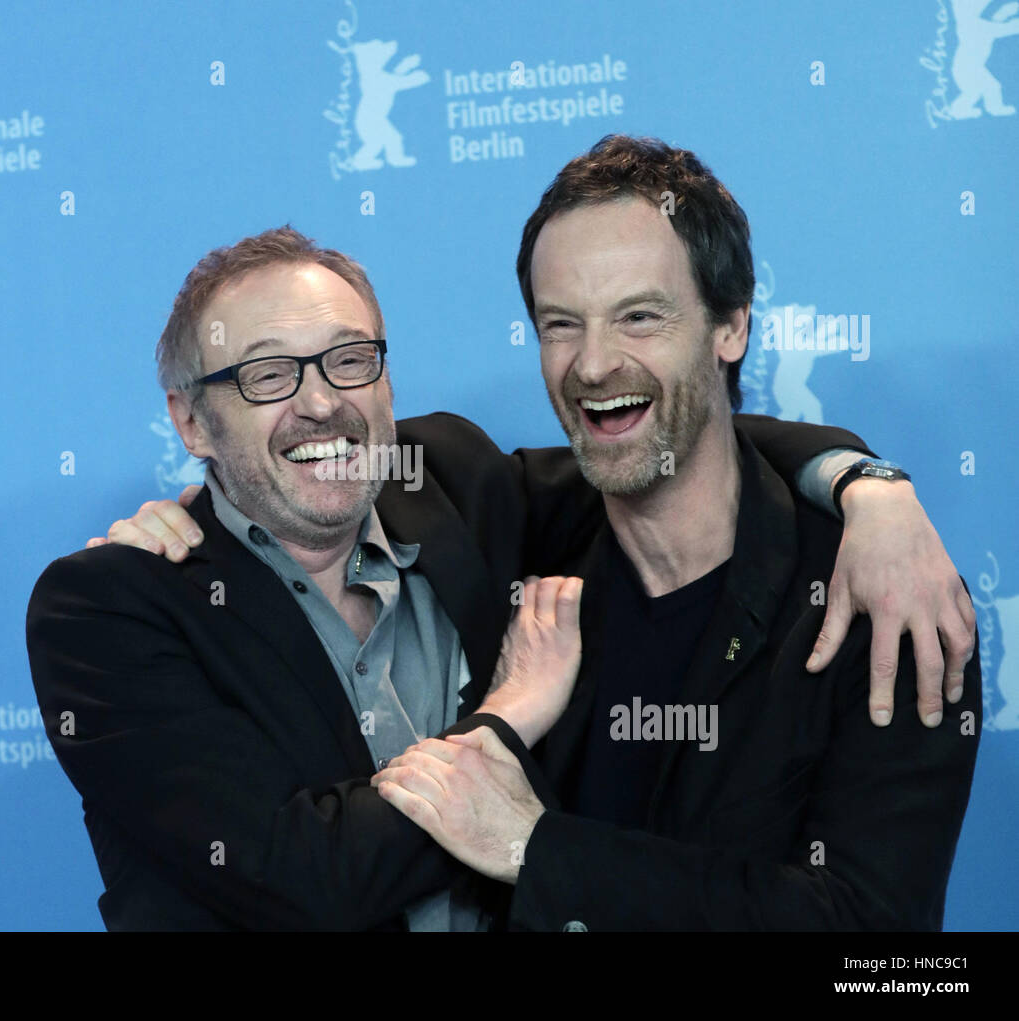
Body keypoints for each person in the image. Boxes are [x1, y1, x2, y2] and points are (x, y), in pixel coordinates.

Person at [31, 212, 971, 930]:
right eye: (267, 375)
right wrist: (510, 716)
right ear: (191, 422)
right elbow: (301, 878)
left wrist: (865, 484)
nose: (321, 404)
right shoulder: (111, 608)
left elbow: (661, 433)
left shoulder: (452, 485)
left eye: (348, 361)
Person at [364, 135, 980, 930]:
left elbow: (871, 937)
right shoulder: (522, 522)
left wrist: (537, 847)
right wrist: (184, 531)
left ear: (732, 326)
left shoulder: (885, 598)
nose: (593, 364)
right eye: (561, 324)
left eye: (640, 316)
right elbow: (322, 455)